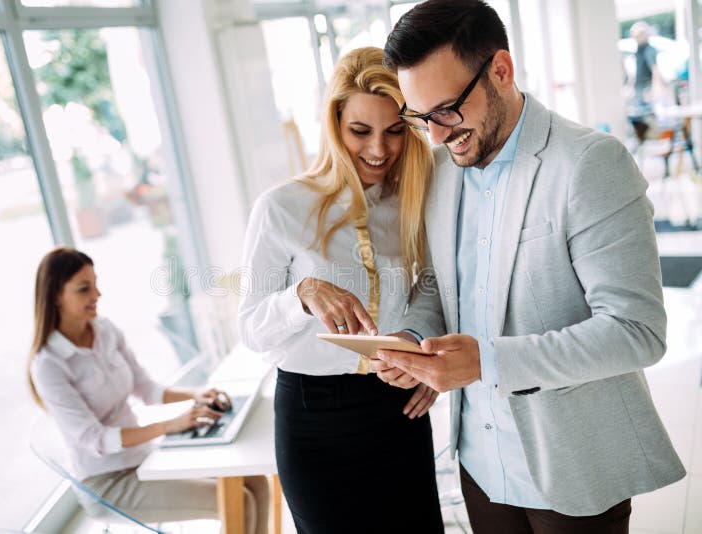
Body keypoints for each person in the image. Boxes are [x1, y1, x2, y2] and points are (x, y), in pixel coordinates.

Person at [372, 1, 686, 532]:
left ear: (500, 70)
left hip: (574, 467)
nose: (436, 137)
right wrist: (413, 336)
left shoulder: (589, 163)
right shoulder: (443, 170)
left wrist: (485, 363)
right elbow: (440, 287)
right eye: (421, 117)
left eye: (447, 110)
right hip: (479, 463)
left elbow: (636, 333)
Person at [238, 47, 444, 534]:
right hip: (313, 421)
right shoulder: (280, 207)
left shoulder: (416, 197)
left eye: (395, 130)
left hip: (396, 408)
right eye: (360, 131)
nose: (379, 149)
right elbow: (250, 330)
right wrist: (301, 294)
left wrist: (417, 352)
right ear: (334, 125)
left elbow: (432, 290)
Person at [28, 247, 269, 533]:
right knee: (237, 500)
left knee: (254, 480)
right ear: (55, 296)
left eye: (95, 284)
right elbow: (98, 440)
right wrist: (172, 425)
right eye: (84, 289)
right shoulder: (48, 365)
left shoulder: (105, 330)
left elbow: (145, 389)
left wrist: (196, 395)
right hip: (107, 482)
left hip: (144, 457)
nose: (97, 295)